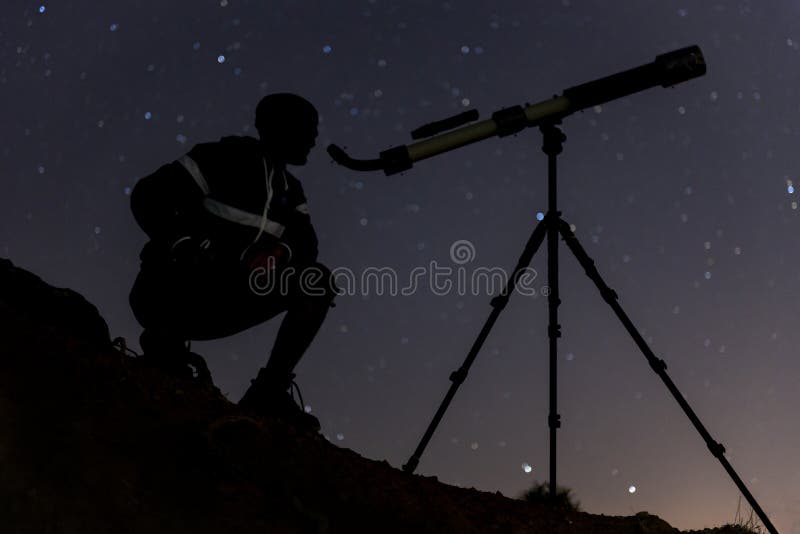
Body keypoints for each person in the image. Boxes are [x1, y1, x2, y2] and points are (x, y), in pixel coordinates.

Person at [128, 93, 337, 431]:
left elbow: (306, 245)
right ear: (280, 127)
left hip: (225, 301)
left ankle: (268, 392)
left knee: (317, 281)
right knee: (188, 269)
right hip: (166, 293)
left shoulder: (291, 190)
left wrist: (278, 253)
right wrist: (186, 244)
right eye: (308, 129)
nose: (314, 139)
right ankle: (165, 345)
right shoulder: (220, 157)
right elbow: (148, 196)